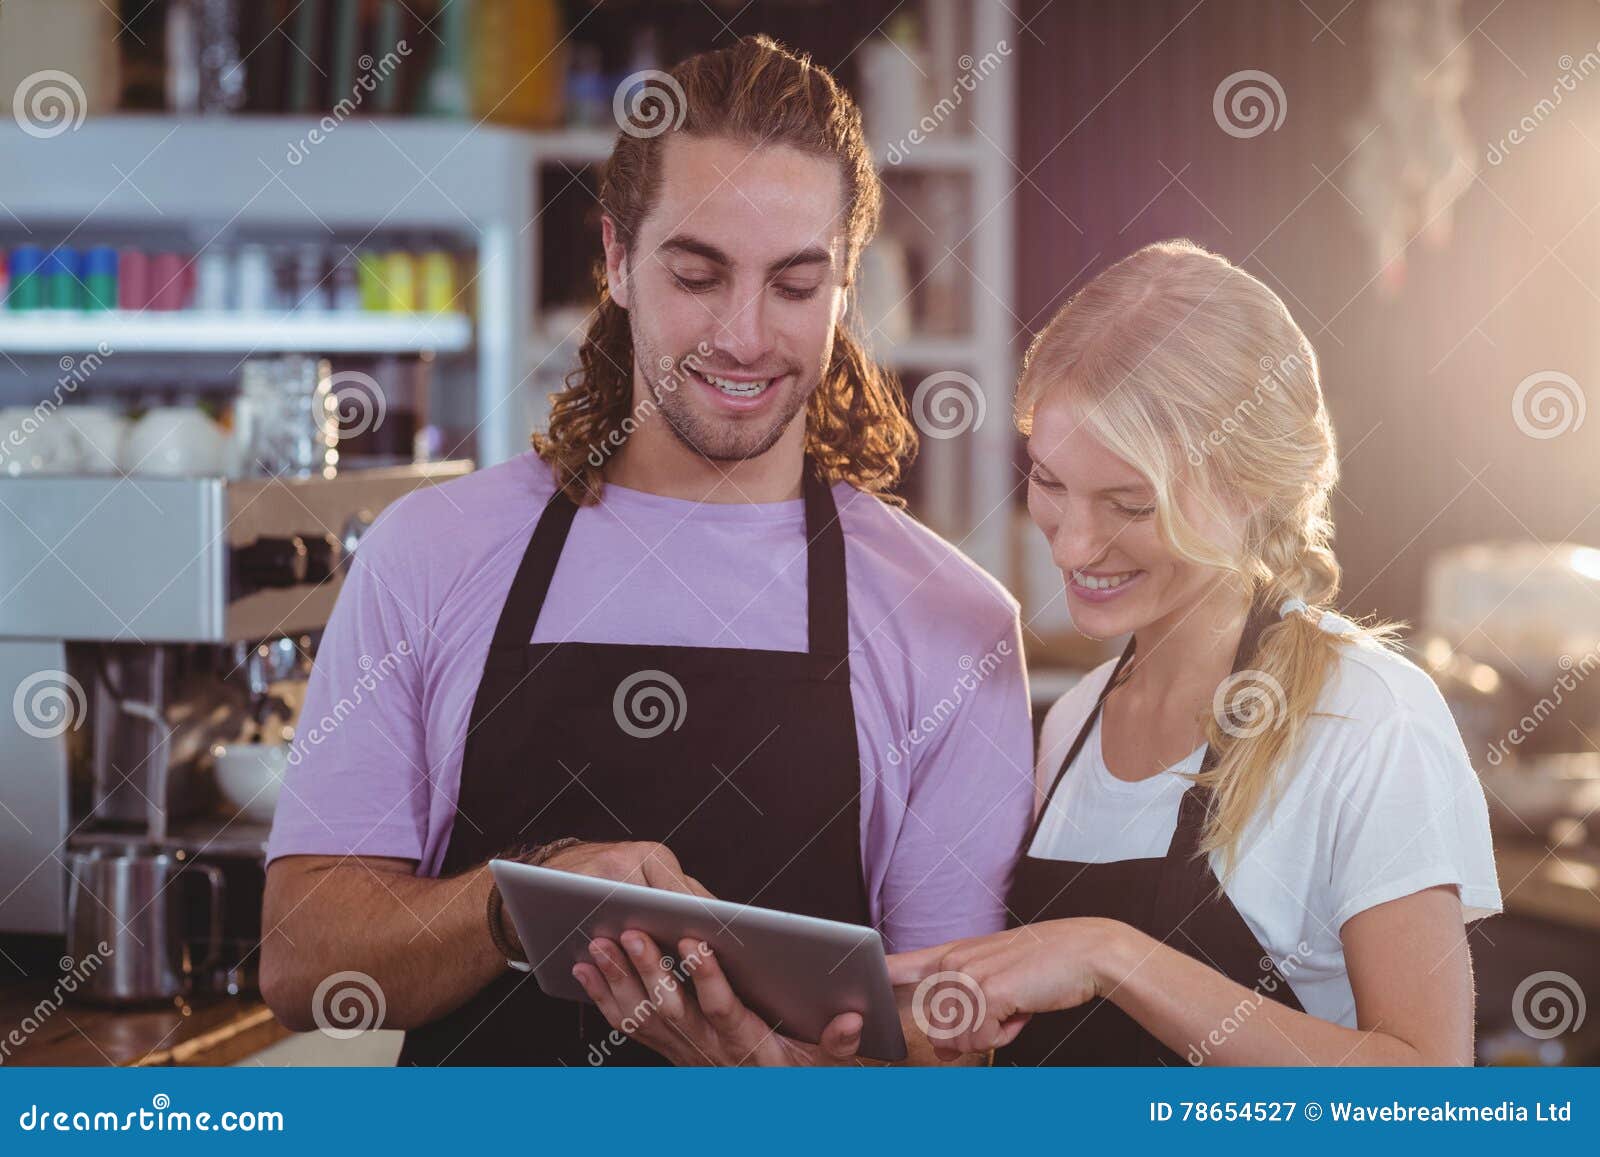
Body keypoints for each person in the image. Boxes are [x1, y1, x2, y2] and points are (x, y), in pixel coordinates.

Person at [258, 35, 1032, 1067]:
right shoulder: (429, 554)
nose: (745, 335)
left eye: (796, 285)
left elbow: (953, 1058)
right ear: (616, 259)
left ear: (847, 282)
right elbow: (301, 961)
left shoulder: (952, 620)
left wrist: (783, 1088)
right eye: (699, 275)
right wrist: (526, 892)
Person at [889, 239, 1502, 1066]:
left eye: (1129, 502)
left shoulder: (1368, 716)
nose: (1071, 547)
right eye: (1050, 482)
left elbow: (1430, 1100)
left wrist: (1114, 957)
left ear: (1251, 485)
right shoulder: (1071, 721)